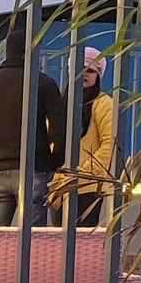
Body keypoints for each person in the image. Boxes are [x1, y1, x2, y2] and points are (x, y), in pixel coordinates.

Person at [0, 22, 65, 226]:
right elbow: (60, 130)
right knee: (32, 238)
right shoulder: (43, 83)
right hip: (34, 168)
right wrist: (54, 162)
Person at [49, 47, 116, 226]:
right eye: (80, 69)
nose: (84, 74)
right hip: (59, 186)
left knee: (82, 240)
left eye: (91, 70)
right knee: (59, 239)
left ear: (98, 76)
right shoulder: (59, 103)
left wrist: (81, 173)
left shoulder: (104, 104)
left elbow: (109, 145)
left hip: (88, 187)